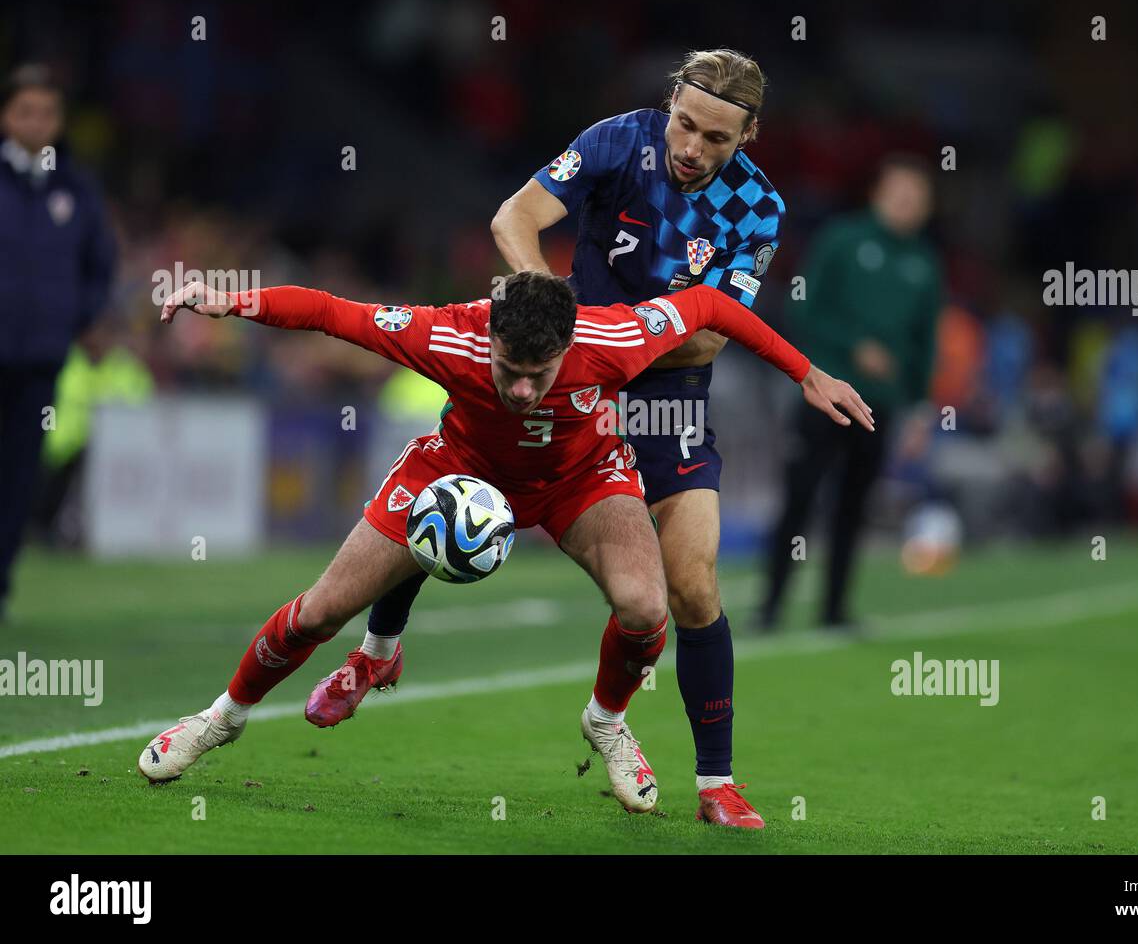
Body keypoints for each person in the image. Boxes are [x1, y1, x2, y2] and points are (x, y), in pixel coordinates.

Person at [137, 273, 872, 821]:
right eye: (508, 370)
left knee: (647, 607)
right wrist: (232, 300)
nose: (522, 389)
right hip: (459, 470)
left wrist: (808, 374)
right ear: (488, 336)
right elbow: (334, 314)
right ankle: (220, 718)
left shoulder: (612, 336)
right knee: (317, 612)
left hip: (580, 479)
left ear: (566, 347)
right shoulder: (447, 334)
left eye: (539, 374)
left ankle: (606, 723)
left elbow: (711, 306)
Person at [324, 49, 786, 827]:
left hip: (663, 400)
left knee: (691, 589)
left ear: (748, 137)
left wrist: (615, 340)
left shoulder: (758, 208)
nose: (691, 148)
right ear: (669, 102)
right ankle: (376, 648)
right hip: (563, 382)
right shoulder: (617, 141)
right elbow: (516, 218)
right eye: (684, 123)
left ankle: (710, 781)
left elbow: (708, 340)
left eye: (716, 138)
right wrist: (553, 317)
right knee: (452, 496)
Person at [757, 156, 942, 631]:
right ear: (878, 193)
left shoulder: (925, 264)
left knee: (854, 506)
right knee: (799, 496)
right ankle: (770, 606)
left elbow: (925, 345)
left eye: (917, 198)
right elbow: (804, 308)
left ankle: (834, 610)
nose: (907, 205)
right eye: (900, 193)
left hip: (878, 406)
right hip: (824, 393)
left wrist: (920, 408)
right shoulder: (843, 240)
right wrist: (852, 348)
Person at [0, 63, 115, 622]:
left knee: (19, 479)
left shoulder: (76, 189)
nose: (36, 121)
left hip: (41, 361)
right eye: (25, 110)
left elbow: (100, 265)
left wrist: (90, 318)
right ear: (6, 116)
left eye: (47, 111)